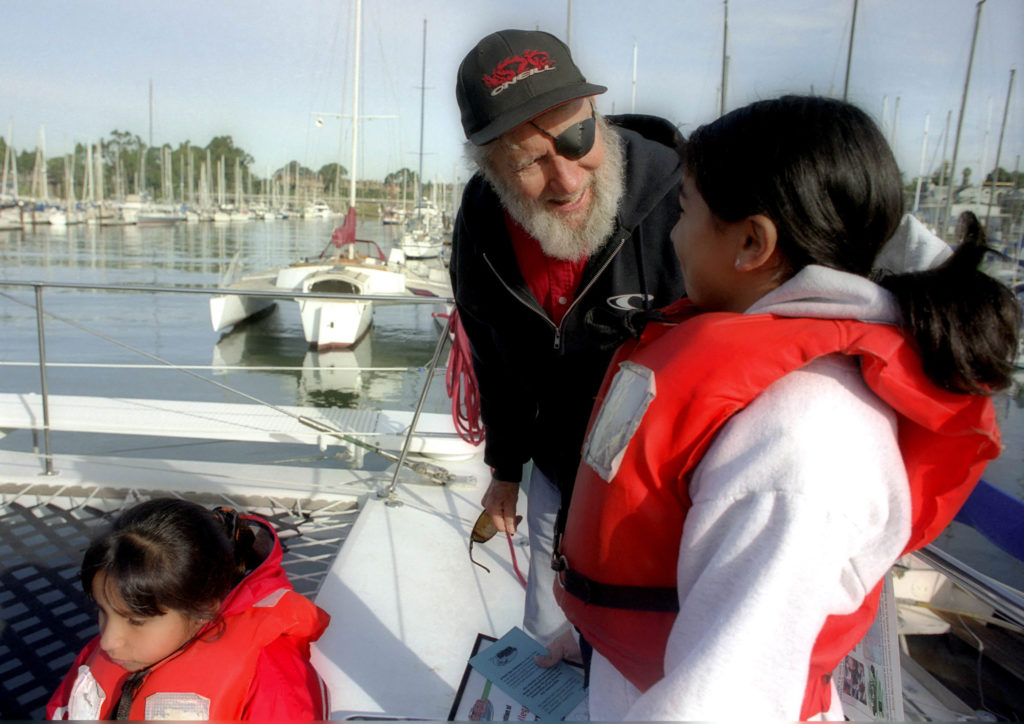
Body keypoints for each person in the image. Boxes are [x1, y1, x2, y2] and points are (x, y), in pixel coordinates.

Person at [548, 95, 1020, 719]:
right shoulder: (762, 389)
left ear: (751, 242)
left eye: (684, 210)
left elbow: (726, 700)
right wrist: (602, 642)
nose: (673, 234)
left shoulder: (803, 437)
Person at [451, 28, 686, 646]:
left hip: (666, 490)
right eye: (528, 161)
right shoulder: (480, 222)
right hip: (556, 467)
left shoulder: (685, 196)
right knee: (549, 639)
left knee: (643, 653)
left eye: (578, 137)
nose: (565, 178)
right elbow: (492, 353)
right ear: (492, 169)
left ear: (595, 116)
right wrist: (506, 467)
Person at [47, 498, 331, 720]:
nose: (108, 641)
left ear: (202, 607)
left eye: (134, 621)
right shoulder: (115, 650)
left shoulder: (269, 676)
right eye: (103, 611)